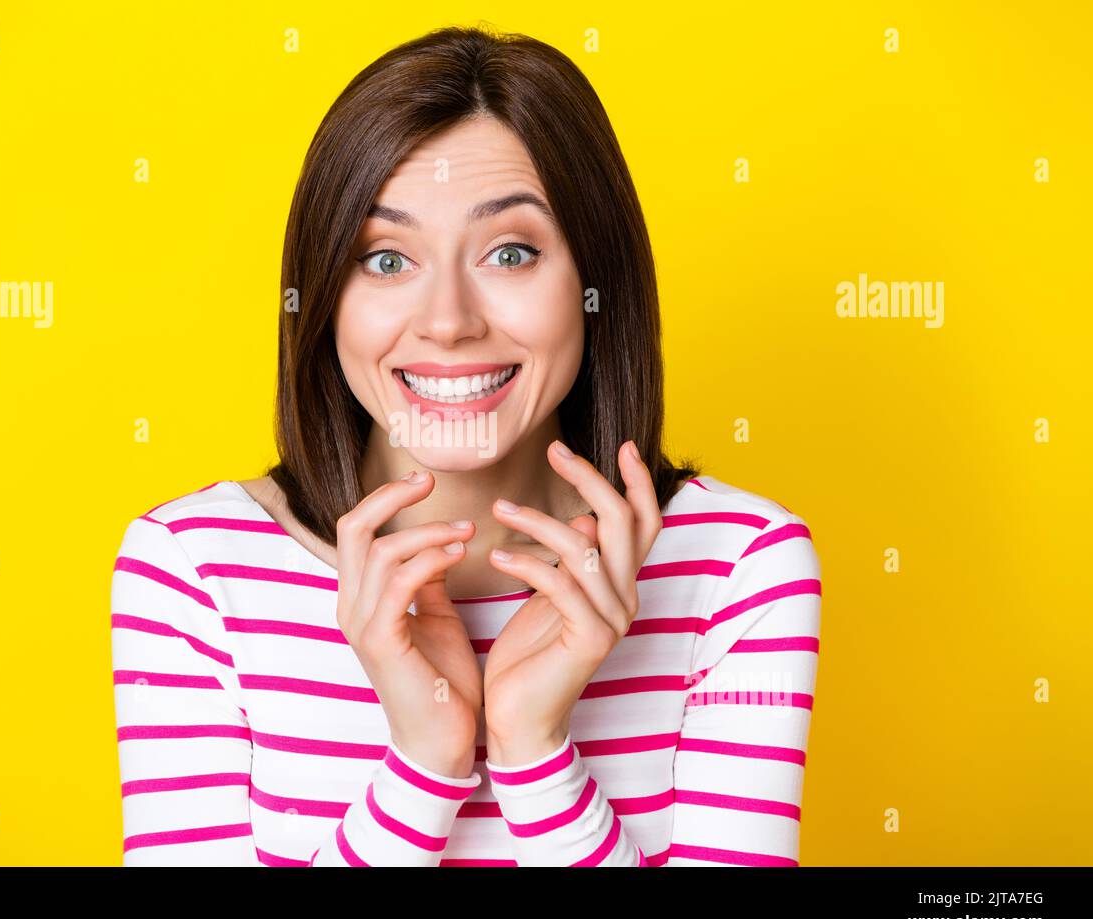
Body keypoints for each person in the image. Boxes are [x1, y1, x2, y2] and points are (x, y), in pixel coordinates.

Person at [110, 25, 821, 866]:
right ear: (325, 293)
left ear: (596, 280)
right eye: (385, 259)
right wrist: (421, 770)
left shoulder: (738, 569)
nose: (448, 321)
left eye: (510, 252)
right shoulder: (193, 572)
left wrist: (536, 756)